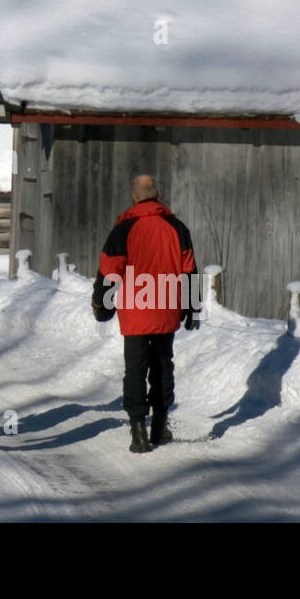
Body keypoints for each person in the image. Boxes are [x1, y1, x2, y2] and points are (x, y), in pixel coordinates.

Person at [92, 174, 199, 453]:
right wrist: (192, 307)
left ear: (134, 195)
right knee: (163, 365)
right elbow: (189, 269)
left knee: (136, 369)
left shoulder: (124, 228)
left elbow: (110, 270)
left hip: (136, 309)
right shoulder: (177, 227)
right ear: (158, 193)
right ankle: (160, 426)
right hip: (166, 305)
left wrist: (102, 305)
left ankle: (138, 431)